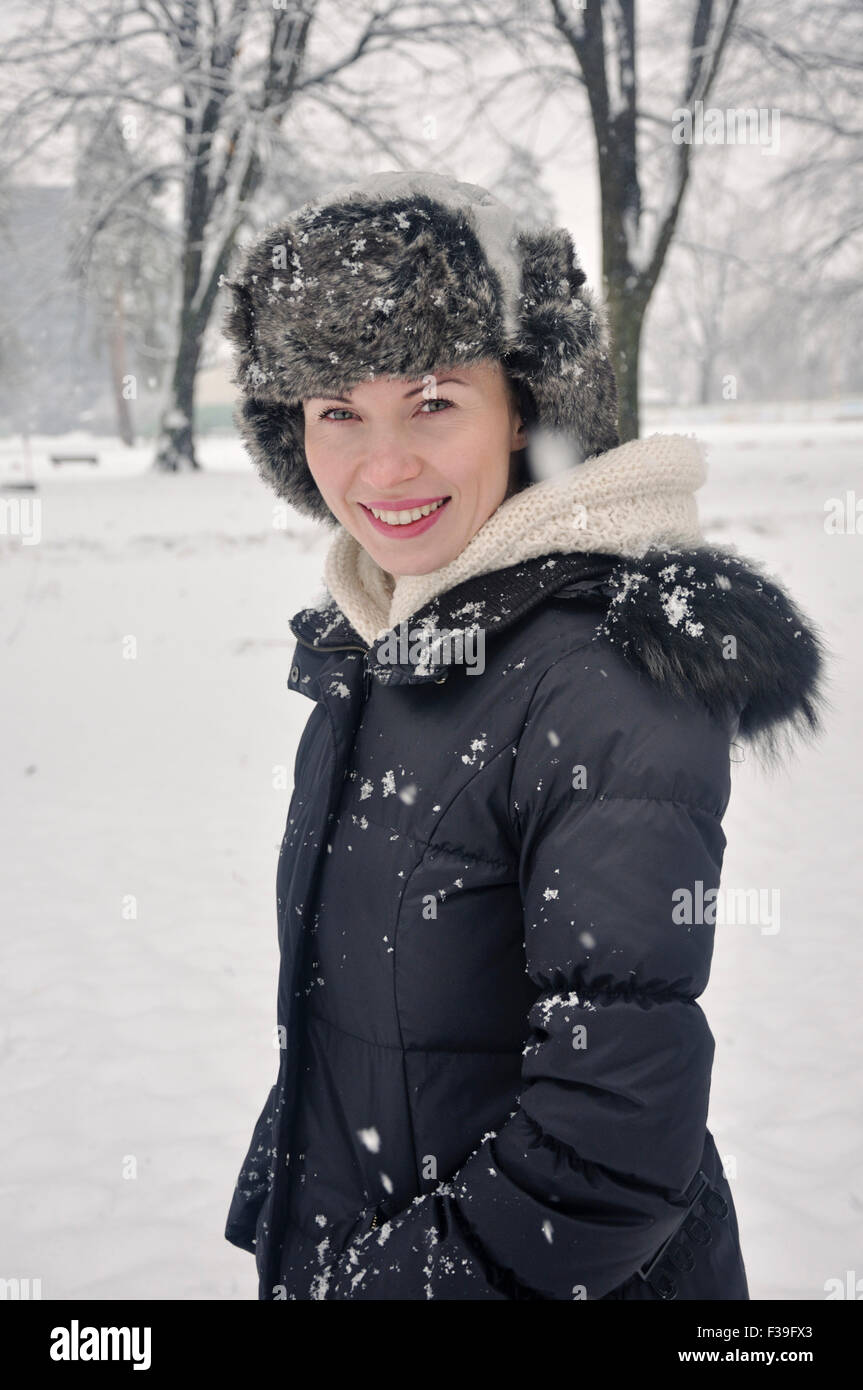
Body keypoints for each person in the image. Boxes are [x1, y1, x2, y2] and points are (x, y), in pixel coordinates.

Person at [220, 170, 825, 1301]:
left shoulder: (599, 678)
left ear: (525, 408)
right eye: (335, 411)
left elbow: (609, 1154)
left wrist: (375, 1286)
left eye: (433, 400)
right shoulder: (378, 647)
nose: (380, 464)